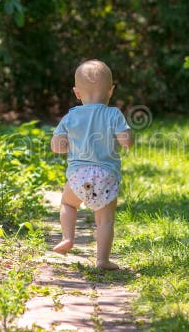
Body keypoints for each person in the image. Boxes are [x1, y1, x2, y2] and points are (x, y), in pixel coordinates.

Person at [50, 59, 133, 270]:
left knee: (68, 204)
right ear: (111, 90)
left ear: (77, 93)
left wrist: (69, 143)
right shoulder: (113, 114)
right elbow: (127, 141)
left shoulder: (72, 116)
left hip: (78, 176)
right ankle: (102, 260)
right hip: (105, 176)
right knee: (104, 221)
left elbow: (56, 146)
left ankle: (68, 237)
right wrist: (126, 138)